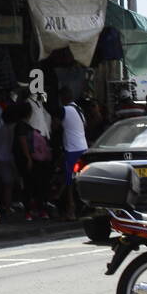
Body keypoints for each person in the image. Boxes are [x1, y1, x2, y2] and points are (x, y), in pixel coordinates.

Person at [59, 89, 88, 220]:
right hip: (83, 147)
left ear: (63, 98)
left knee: (70, 180)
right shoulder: (78, 109)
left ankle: (71, 209)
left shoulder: (64, 109)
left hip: (72, 149)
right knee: (80, 179)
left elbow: (54, 126)